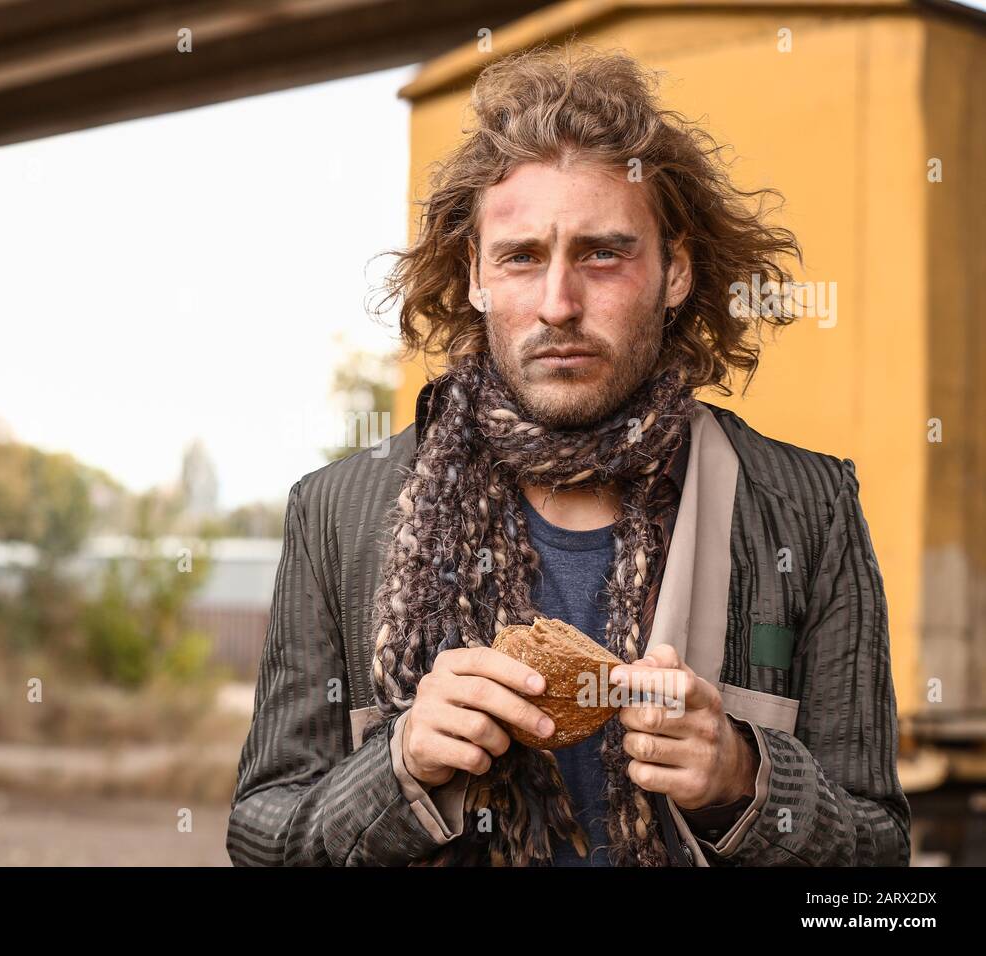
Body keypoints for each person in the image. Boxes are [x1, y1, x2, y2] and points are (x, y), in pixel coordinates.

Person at [226, 44, 909, 867]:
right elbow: (262, 836)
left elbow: (879, 859)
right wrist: (400, 766)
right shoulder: (337, 513)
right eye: (521, 257)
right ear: (475, 275)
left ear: (677, 269)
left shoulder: (807, 505)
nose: (558, 304)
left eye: (602, 253)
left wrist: (744, 777)